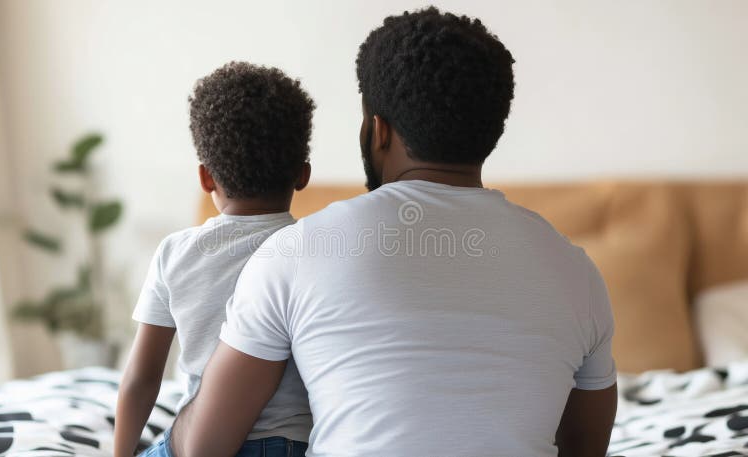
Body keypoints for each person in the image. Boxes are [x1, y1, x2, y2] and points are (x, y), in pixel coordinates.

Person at [170, 7, 618, 457]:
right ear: (490, 131)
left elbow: (204, 447)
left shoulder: (293, 252)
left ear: (378, 131)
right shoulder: (577, 273)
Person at [114, 62, 315, 457]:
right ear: (302, 174)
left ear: (206, 178)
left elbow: (142, 377)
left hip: (200, 440)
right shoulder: (317, 248)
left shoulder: (176, 252)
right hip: (294, 445)